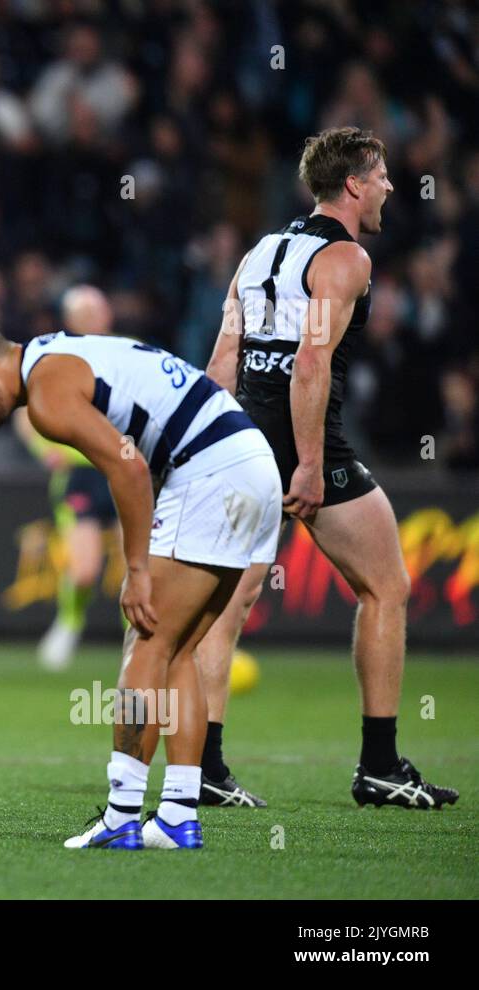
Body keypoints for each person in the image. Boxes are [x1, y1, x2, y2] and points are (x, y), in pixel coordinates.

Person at [0, 317, 281, 849]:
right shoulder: (57, 354)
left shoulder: (47, 393)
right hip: (254, 463)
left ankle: (122, 816)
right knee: (179, 648)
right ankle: (178, 818)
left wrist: (137, 569)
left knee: (146, 638)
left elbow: (129, 468)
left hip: (211, 469)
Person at [196, 126, 458, 810]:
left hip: (240, 437)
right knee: (385, 587)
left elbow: (224, 357)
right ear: (353, 185)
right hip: (300, 442)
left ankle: (205, 767)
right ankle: (376, 765)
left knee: (227, 606)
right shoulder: (347, 261)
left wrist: (207, 445)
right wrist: (309, 464)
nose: (390, 188)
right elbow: (311, 362)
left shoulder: (258, 252)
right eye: (381, 177)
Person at [12, 285, 121, 669]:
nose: (93, 317)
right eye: (84, 312)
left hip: (125, 469)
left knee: (137, 563)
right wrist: (46, 451)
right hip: (81, 474)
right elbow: (22, 411)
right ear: (71, 319)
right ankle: (69, 622)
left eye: (97, 309)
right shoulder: (53, 357)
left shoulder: (130, 352)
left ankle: (139, 643)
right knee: (86, 567)